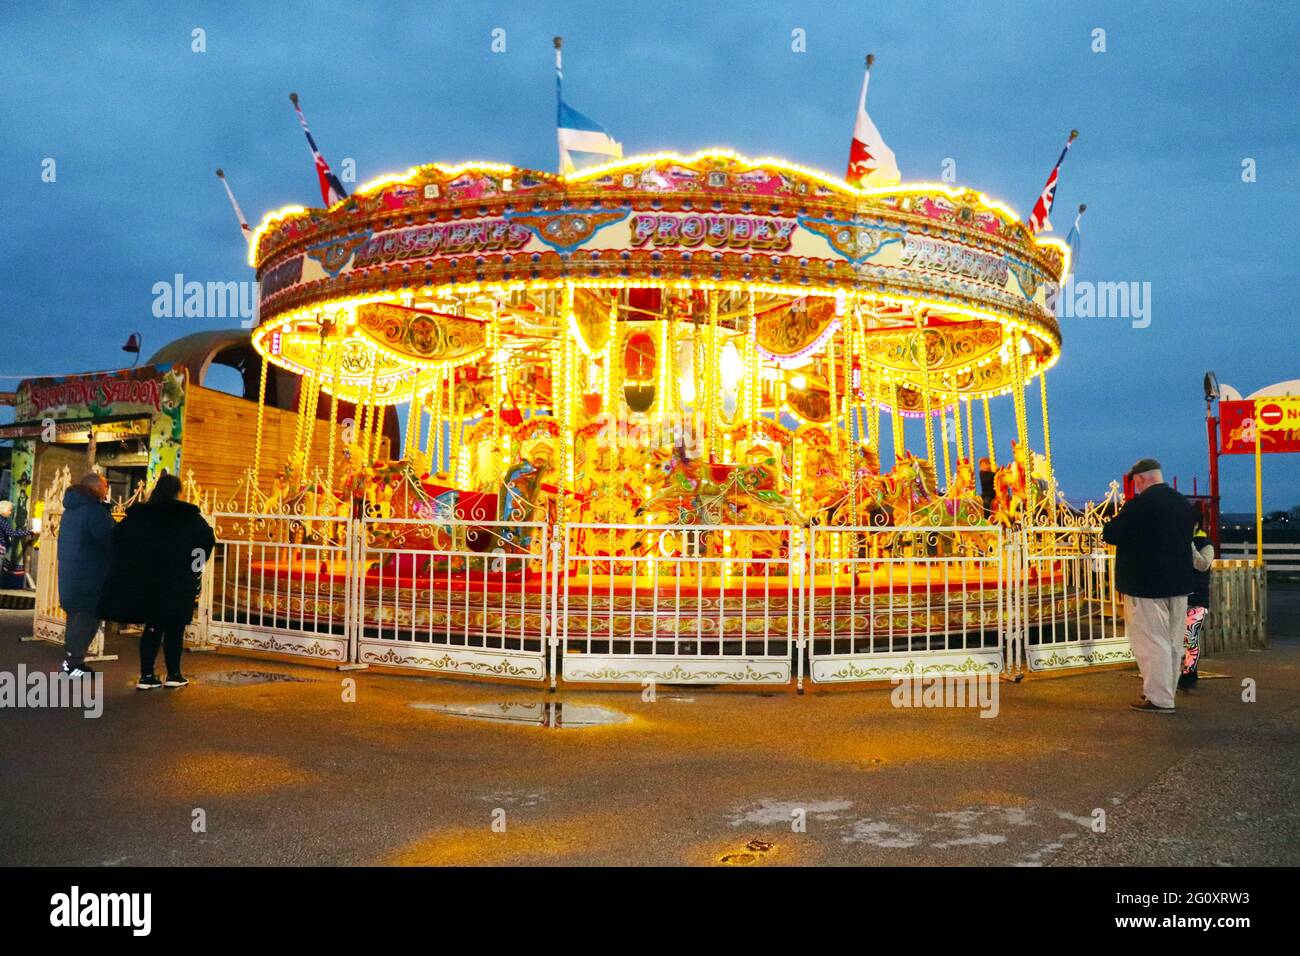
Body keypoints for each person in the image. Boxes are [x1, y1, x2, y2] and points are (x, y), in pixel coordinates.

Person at [98, 472, 215, 689]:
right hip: (178, 581)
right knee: (175, 628)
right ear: (177, 492)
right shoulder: (188, 516)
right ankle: (174, 673)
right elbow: (206, 540)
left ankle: (147, 675)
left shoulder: (141, 515)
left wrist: (133, 563)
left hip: (148, 581)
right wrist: (195, 567)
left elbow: (117, 538)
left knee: (152, 627)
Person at [1102, 458, 1196, 713]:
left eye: (1136, 483)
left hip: (1145, 583)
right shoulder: (1181, 503)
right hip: (1178, 583)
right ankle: (1167, 690)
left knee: (1151, 641)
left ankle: (1159, 698)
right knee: (1173, 641)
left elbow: (1112, 534)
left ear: (1141, 479)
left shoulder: (1141, 504)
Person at [57, 473, 114, 677]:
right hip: (89, 577)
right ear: (96, 487)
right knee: (85, 620)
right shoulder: (94, 512)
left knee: (76, 619)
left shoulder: (71, 511)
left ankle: (74, 662)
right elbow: (109, 539)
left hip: (72, 575)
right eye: (105, 485)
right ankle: (72, 665)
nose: (107, 490)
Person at [1181, 513, 1215, 691]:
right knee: (1178, 637)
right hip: (1179, 596)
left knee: (1190, 637)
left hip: (1197, 599)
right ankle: (1185, 672)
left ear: (1196, 525)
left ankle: (1189, 672)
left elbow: (1202, 565)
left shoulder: (1206, 544)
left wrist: (1190, 546)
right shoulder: (1178, 543)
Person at [0, 500, 36, 589]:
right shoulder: (2, 520)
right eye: (10, 510)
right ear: (3, 510)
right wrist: (30, 531)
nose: (11, 512)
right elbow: (12, 533)